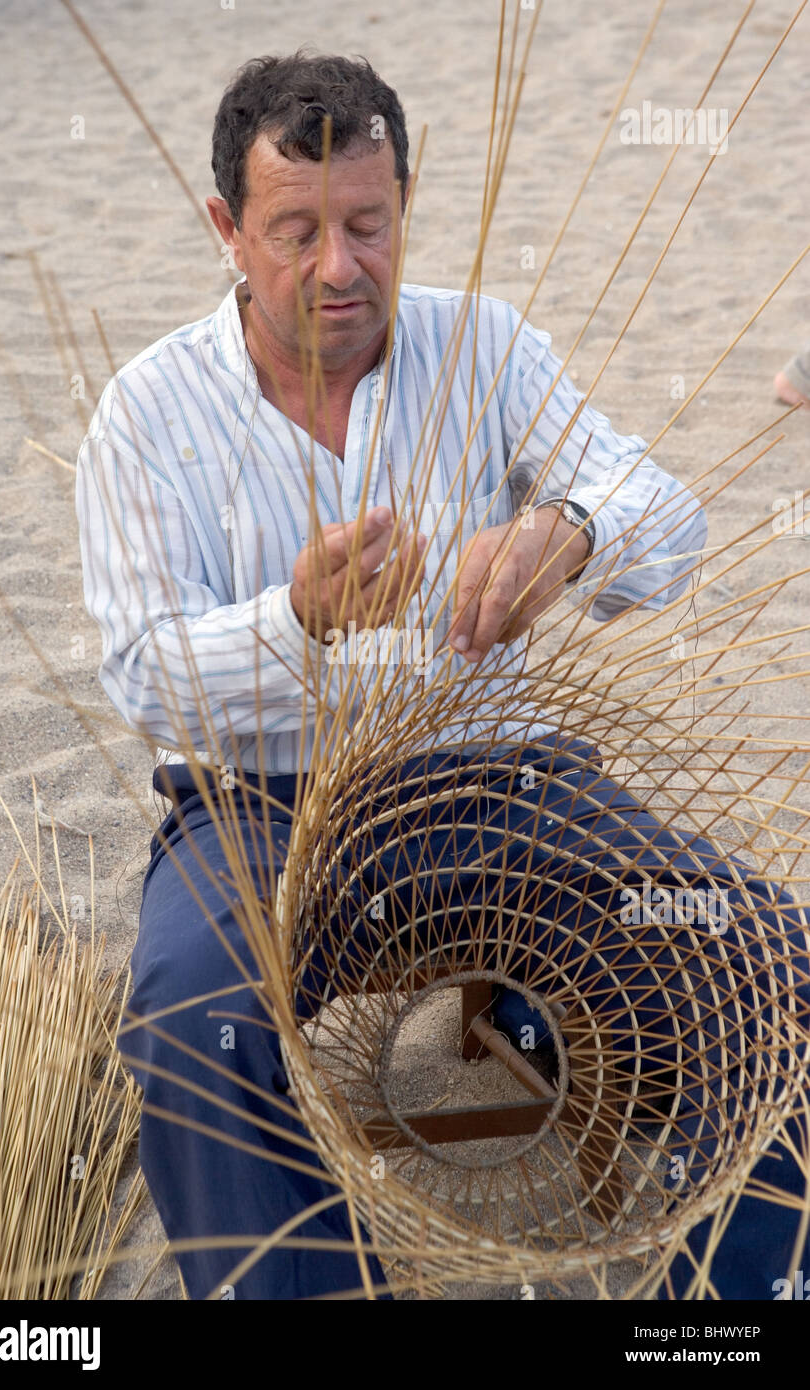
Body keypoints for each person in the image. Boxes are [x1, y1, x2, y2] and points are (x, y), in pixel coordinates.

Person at [76, 51, 810, 1300]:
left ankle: (734, 1310)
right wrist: (297, 623)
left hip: (498, 786)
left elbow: (664, 514)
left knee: (759, 958)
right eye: (295, 232)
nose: (341, 266)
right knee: (193, 1019)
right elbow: (148, 674)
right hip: (258, 815)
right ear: (226, 229)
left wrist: (567, 529)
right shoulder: (149, 414)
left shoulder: (484, 343)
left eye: (369, 223)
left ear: (403, 202)